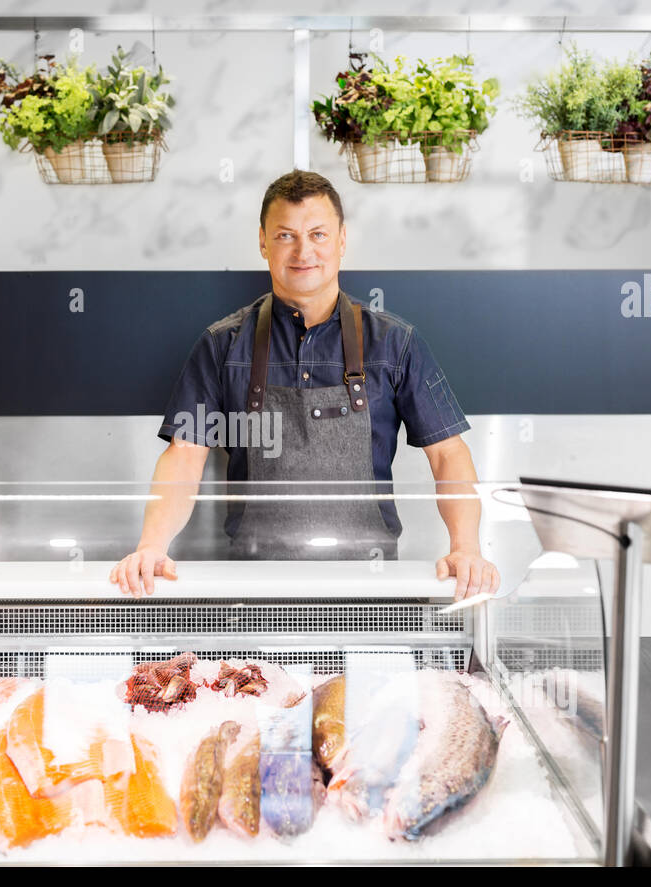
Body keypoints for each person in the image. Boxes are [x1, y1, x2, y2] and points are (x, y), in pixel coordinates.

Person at [109, 169, 499, 599]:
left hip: (371, 591)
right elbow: (184, 455)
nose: (303, 251)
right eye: (285, 236)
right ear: (263, 242)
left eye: (318, 234)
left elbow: (448, 454)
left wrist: (466, 548)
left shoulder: (394, 342)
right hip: (253, 593)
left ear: (341, 240)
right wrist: (152, 546)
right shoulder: (222, 344)